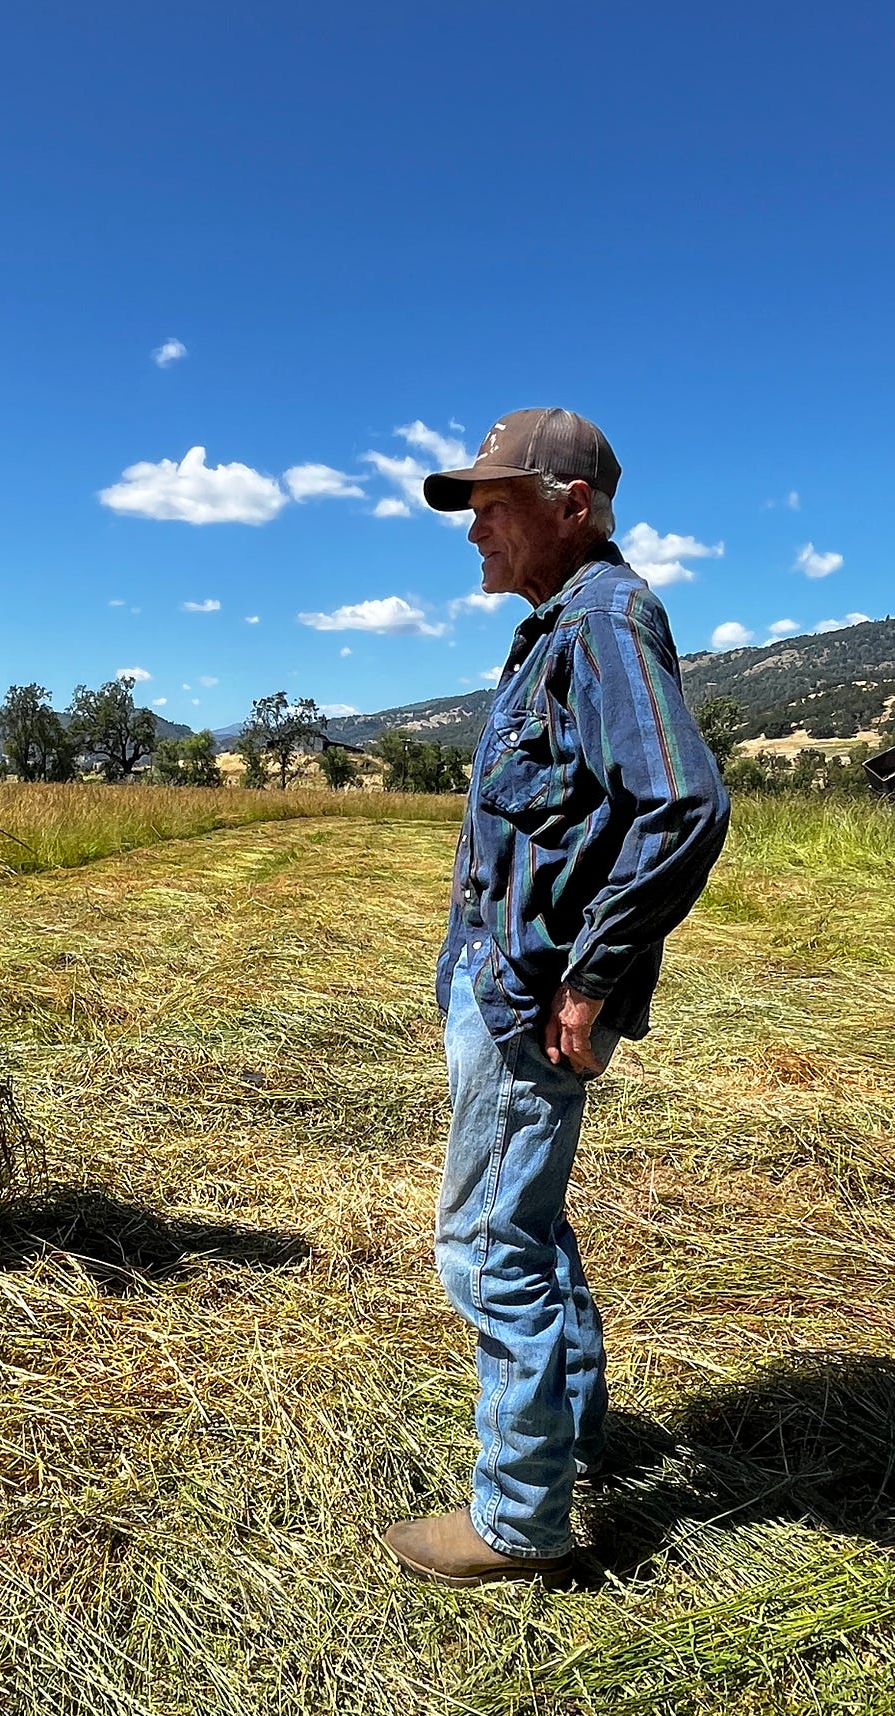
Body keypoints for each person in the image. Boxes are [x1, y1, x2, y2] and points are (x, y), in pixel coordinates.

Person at [382, 408, 729, 1588]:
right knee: (526, 1222)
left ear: (568, 504)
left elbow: (683, 805)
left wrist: (588, 980)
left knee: (486, 1249)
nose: (474, 527)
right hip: (505, 989)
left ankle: (520, 1519)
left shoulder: (605, 623)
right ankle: (575, 1440)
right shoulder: (555, 631)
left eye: (493, 503)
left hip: (531, 1002)